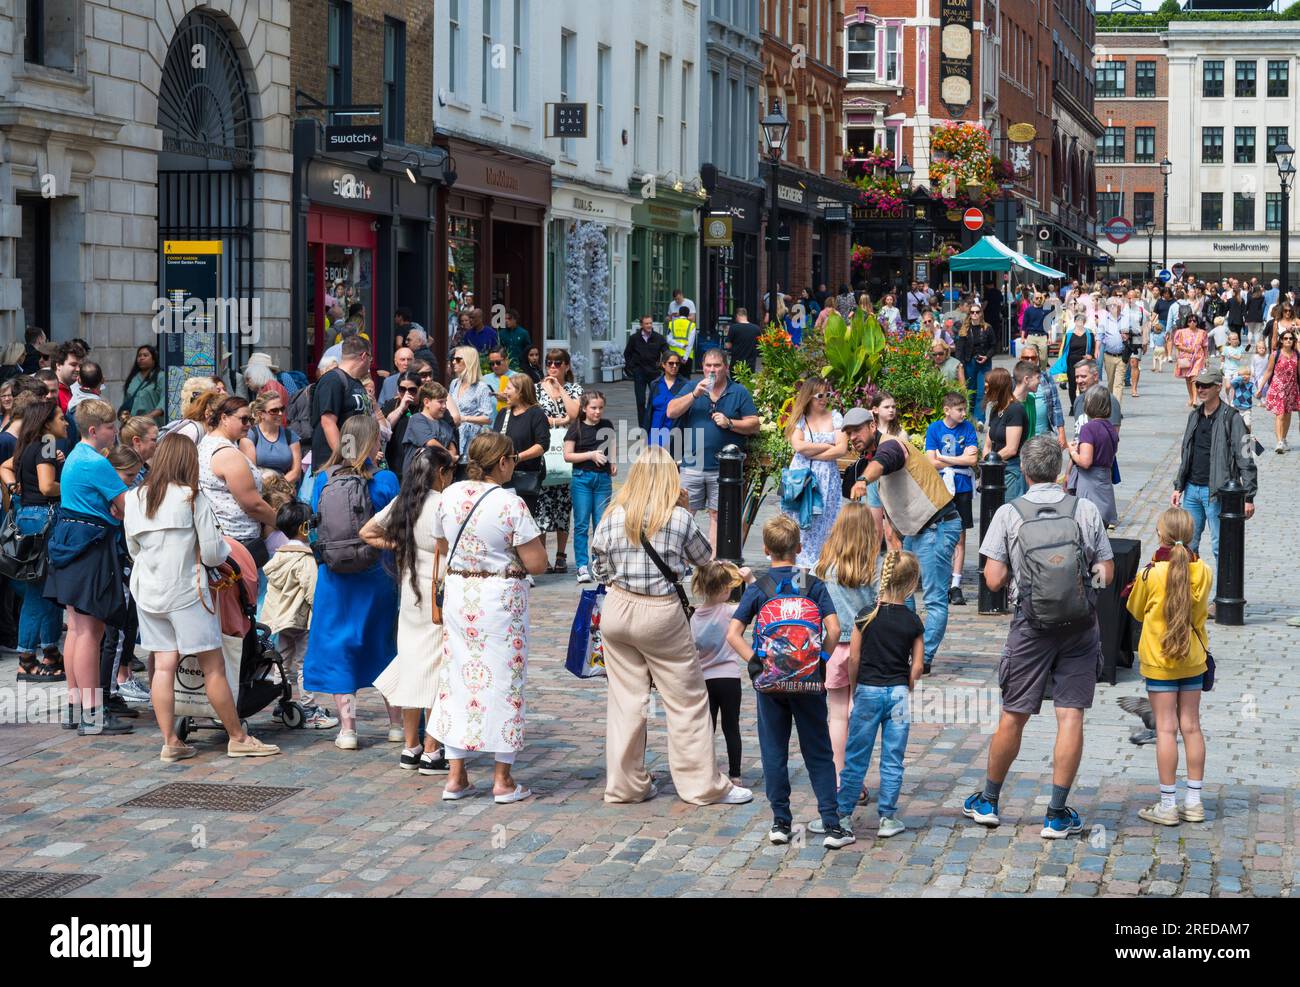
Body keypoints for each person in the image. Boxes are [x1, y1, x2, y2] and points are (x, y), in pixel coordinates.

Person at [966, 435, 1114, 838]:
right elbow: (1107, 573)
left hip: (1031, 625)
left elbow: (993, 580)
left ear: (1027, 472)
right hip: (1080, 627)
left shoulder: (1009, 514)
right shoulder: (1083, 508)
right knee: (1070, 716)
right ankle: (1056, 813)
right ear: (1060, 471)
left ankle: (989, 802)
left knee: (1014, 713)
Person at [590, 445, 751, 807]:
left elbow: (598, 566)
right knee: (687, 699)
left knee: (626, 701)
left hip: (618, 608)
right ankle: (700, 785)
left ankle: (625, 786)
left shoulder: (613, 515)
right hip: (660, 612)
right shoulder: (678, 519)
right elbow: (704, 560)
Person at [125, 433, 281, 760]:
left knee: (163, 664)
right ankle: (237, 736)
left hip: (149, 591)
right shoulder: (190, 497)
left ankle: (170, 740)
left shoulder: (135, 497)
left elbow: (133, 549)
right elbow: (213, 554)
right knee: (213, 667)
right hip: (187, 591)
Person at [431, 433, 548, 801]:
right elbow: (538, 564)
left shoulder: (448, 495)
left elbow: (441, 545)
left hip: (460, 595)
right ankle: (502, 779)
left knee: (457, 679)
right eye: (512, 458)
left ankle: (456, 775)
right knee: (504, 681)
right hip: (499, 598)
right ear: (502, 462)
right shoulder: (510, 504)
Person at [725, 516, 849, 848]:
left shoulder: (760, 586)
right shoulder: (812, 583)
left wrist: (759, 662)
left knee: (774, 750)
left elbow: (732, 634)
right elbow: (834, 630)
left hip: (771, 681)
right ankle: (832, 825)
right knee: (819, 751)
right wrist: (820, 661)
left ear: (766, 549)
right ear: (799, 548)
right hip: (808, 681)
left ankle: (781, 822)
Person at [305, 415, 401, 750]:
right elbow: (397, 524)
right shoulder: (386, 479)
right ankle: (396, 725)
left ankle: (347, 728)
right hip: (378, 573)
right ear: (372, 442)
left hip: (335, 576)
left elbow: (314, 524)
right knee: (386, 645)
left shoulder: (322, 479)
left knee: (338, 647)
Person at [362, 446, 458, 774]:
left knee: (411, 663)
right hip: (439, 594)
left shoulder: (405, 502)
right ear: (441, 473)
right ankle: (432, 749)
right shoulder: (444, 504)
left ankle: (410, 746)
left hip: (410, 592)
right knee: (435, 669)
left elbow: (367, 532)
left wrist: (402, 545)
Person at [843, 406, 960, 674]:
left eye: (857, 430)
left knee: (934, 600)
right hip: (915, 531)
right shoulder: (870, 455)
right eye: (849, 433)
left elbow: (883, 462)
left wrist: (863, 480)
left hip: (938, 526)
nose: (853, 437)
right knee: (901, 594)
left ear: (872, 425)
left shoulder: (892, 446)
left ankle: (923, 660)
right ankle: (905, 651)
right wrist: (892, 533)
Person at [42, 400, 130, 734]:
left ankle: (76, 706)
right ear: (94, 430)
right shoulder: (96, 462)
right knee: (91, 632)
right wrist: (116, 511)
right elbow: (126, 506)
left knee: (77, 630)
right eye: (111, 428)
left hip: (70, 541)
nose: (115, 433)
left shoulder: (76, 456)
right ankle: (93, 714)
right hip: (91, 546)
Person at [1125, 507, 1212, 827]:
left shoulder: (1151, 573)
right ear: (1190, 535)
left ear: (1160, 535)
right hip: (1191, 657)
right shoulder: (1202, 570)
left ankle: (1167, 804)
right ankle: (1194, 801)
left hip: (1159, 660)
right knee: (1192, 726)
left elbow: (1135, 610)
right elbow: (1201, 615)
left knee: (1164, 729)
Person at [836, 549, 924, 839]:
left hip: (868, 691)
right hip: (897, 693)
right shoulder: (913, 621)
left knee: (856, 755)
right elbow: (918, 666)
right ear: (911, 583)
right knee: (893, 757)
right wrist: (908, 684)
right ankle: (887, 816)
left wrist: (855, 684)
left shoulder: (865, 616)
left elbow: (854, 659)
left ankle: (844, 814)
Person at [811, 502, 879, 787]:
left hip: (833, 647)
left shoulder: (822, 567)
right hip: (866, 649)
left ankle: (840, 777)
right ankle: (856, 775)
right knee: (860, 714)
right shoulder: (873, 568)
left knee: (837, 714)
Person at [666, 349, 759, 549]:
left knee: (718, 516)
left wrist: (730, 423)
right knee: (684, 514)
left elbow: (754, 424)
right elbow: (671, 411)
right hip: (693, 464)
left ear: (726, 367)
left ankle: (715, 564)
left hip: (724, 469)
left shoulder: (738, 391)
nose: (712, 370)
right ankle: (681, 562)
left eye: (717, 365)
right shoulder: (692, 387)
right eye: (708, 365)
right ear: (703, 367)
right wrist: (694, 395)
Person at [2, 399, 67, 681]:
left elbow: (4, 467)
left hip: (30, 516)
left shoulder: (32, 444)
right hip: (45, 519)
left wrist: (15, 488)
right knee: (39, 592)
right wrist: (73, 488)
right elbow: (46, 485)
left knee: (46, 590)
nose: (65, 422)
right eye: (61, 417)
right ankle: (27, 657)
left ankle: (50, 653)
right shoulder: (46, 443)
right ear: (47, 423)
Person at [261, 502, 336, 730]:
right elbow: (313, 592)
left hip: (281, 620)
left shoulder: (278, 557)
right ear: (305, 527)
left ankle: (281, 704)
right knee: (305, 664)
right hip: (301, 620)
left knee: (281, 662)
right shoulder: (304, 559)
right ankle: (309, 708)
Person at [1171, 367, 1257, 564]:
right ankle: (1190, 593)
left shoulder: (1233, 418)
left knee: (1221, 547)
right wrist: (1179, 487)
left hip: (1218, 493)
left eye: (1206, 386)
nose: (1201, 389)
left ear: (1218, 387)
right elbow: (1186, 455)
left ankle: (1222, 592)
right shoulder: (1194, 416)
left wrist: (1249, 497)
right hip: (1192, 491)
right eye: (1198, 385)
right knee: (1187, 547)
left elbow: (1246, 460)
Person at [198, 397, 277, 567]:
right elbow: (252, 505)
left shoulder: (207, 442)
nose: (248, 424)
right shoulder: (227, 453)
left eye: (251, 419)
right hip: (238, 541)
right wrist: (282, 523)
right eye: (243, 419)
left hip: (224, 538)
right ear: (224, 418)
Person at [689, 561, 746, 785]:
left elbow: (692, 648)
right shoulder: (729, 611)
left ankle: (705, 769)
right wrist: (749, 580)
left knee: (707, 728)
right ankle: (735, 773)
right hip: (729, 678)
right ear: (724, 589)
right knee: (731, 727)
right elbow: (753, 606)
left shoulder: (694, 616)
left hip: (705, 679)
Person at [781, 377, 846, 568]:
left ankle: (821, 567)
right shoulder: (800, 418)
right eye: (819, 395)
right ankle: (799, 569)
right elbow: (798, 446)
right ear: (809, 396)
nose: (824, 399)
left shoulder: (835, 417)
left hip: (827, 478)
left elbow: (841, 449)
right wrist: (827, 445)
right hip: (802, 478)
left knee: (826, 520)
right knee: (800, 522)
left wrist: (812, 450)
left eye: (827, 394)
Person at [926, 391, 979, 607]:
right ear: (947, 410)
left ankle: (956, 584)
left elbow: (972, 459)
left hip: (963, 487)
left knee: (960, 536)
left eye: (965, 409)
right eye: (959, 410)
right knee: (936, 533)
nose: (964, 413)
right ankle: (940, 580)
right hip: (941, 487)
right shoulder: (935, 429)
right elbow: (930, 461)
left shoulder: (968, 428)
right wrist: (958, 460)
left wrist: (944, 458)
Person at [535, 349, 583, 572]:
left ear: (566, 366)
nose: (552, 367)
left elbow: (574, 414)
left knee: (564, 503)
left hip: (567, 448)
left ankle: (561, 554)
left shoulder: (574, 389)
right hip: (544, 448)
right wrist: (559, 420)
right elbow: (536, 417)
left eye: (557, 363)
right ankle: (543, 555)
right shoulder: (536, 389)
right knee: (542, 504)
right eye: (549, 363)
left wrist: (559, 388)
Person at [565, 390, 617, 584]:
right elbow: (567, 455)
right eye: (593, 408)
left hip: (603, 479)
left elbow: (611, 443)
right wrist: (590, 455)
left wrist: (612, 461)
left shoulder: (607, 425)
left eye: (600, 408)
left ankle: (598, 563)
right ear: (585, 408)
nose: (597, 412)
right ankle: (581, 565)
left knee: (601, 524)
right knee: (581, 523)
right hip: (582, 478)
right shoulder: (576, 427)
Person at [492, 372, 549, 518]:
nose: (505, 392)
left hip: (526, 477)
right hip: (502, 477)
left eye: (509, 388)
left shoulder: (536, 414)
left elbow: (542, 445)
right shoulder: (503, 413)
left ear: (521, 392)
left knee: (522, 520)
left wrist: (518, 457)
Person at [310, 336, 372, 470]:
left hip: (356, 460)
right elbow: (328, 422)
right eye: (370, 359)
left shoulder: (356, 382)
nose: (370, 364)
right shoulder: (333, 380)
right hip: (335, 465)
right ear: (363, 356)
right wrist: (346, 459)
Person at [1067, 385, 1121, 528]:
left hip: (1089, 484)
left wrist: (1072, 451)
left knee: (1085, 527)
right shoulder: (1110, 427)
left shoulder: (1088, 428)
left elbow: (1085, 461)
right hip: (1105, 482)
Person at [983, 367, 1030, 500]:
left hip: (1010, 470)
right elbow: (987, 444)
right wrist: (987, 466)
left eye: (988, 387)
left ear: (998, 387)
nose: (985, 391)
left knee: (1009, 512)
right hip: (995, 469)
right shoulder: (995, 409)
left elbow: (1011, 449)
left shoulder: (1015, 410)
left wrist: (989, 463)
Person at [239, 391, 302, 486]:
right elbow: (251, 472)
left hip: (284, 491)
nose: (280, 413)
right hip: (259, 489)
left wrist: (277, 488)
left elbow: (296, 472)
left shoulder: (290, 435)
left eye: (282, 409)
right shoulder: (250, 436)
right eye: (274, 410)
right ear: (261, 414)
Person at [448, 345, 495, 471]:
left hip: (471, 438)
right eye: (453, 359)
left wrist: (464, 418)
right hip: (454, 435)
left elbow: (488, 418)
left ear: (468, 361)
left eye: (458, 359)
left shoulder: (481, 387)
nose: (453, 362)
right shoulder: (454, 383)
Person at [401, 380, 457, 474]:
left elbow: (453, 449)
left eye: (445, 402)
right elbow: (430, 443)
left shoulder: (446, 426)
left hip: (439, 478)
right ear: (426, 402)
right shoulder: (416, 419)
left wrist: (452, 455)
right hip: (417, 479)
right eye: (440, 402)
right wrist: (449, 455)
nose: (444, 406)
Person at [1259, 326, 1300, 452]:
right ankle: (1279, 442)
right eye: (1285, 338)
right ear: (1281, 340)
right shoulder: (1275, 354)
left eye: (1290, 339)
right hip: (1278, 387)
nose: (1288, 340)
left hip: (1291, 388)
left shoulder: (1297, 355)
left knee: (1287, 415)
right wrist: (1260, 388)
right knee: (1280, 415)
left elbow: (1299, 373)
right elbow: (1268, 371)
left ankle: (1284, 438)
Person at [624, 314, 669, 431]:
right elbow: (627, 353)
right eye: (646, 323)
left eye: (650, 323)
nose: (649, 326)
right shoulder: (634, 338)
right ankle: (643, 428)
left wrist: (662, 366)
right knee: (640, 401)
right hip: (639, 373)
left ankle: (654, 425)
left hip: (654, 373)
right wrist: (632, 367)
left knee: (656, 400)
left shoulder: (658, 338)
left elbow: (666, 352)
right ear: (641, 325)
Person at [1018, 344, 1066, 446]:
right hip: (1022, 436)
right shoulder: (1014, 380)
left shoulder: (1046, 377)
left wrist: (1061, 433)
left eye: (1033, 358)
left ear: (1038, 360)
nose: (1030, 361)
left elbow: (1056, 405)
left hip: (1044, 435)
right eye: (1026, 358)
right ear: (1020, 359)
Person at [954, 301, 996, 411]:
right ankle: (970, 416)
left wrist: (987, 356)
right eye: (972, 312)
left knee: (982, 392)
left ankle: (980, 420)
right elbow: (959, 349)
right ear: (969, 314)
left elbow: (993, 346)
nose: (975, 314)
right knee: (970, 391)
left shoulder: (988, 328)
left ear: (981, 313)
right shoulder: (964, 330)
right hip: (970, 363)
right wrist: (961, 364)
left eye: (977, 312)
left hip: (985, 363)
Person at [646, 350, 689, 451]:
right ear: (663, 365)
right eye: (671, 363)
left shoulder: (685, 385)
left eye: (677, 364)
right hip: (655, 429)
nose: (674, 366)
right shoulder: (655, 384)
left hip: (675, 430)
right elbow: (649, 411)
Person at [1050, 311, 1094, 407]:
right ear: (1074, 321)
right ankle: (1073, 406)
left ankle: (1083, 405)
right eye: (1078, 320)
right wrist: (1063, 361)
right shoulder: (1069, 334)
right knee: (1072, 385)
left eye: (1082, 320)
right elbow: (1065, 349)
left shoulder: (1089, 333)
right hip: (1071, 362)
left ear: (1084, 322)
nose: (1080, 322)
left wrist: (1091, 355)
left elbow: (1093, 348)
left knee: (1084, 383)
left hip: (1084, 362)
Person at [1173, 314, 1210, 407]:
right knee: (1188, 379)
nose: (1192, 322)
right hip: (1186, 357)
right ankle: (1191, 398)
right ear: (1187, 322)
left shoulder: (1202, 333)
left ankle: (1195, 400)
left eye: (1194, 320)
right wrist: (1187, 350)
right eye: (1190, 321)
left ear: (1197, 322)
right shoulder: (1181, 332)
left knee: (1195, 378)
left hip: (1198, 357)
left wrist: (1206, 358)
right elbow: (1177, 344)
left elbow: (1205, 346)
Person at [121, 345, 164, 422]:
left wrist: (150, 416)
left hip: (153, 424)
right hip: (134, 425)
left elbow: (164, 400)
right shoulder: (133, 378)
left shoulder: (161, 376)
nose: (141, 358)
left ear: (154, 359)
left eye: (145, 355)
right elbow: (126, 402)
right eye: (139, 356)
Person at [724, 308, 761, 374]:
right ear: (746, 315)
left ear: (737, 315)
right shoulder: (756, 328)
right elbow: (759, 346)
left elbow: (728, 346)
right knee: (748, 383)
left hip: (736, 364)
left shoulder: (733, 328)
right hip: (750, 365)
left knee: (735, 383)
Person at [665, 305, 696, 373]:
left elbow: (668, 340)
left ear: (679, 313)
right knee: (685, 380)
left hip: (673, 355)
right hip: (687, 357)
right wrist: (685, 358)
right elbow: (690, 343)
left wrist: (680, 345)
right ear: (688, 314)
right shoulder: (692, 325)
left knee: (673, 378)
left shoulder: (672, 324)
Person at [52, 342, 81, 413]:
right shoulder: (51, 393)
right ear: (58, 365)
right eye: (73, 365)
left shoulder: (67, 389)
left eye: (80, 366)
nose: (78, 369)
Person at [484, 346, 513, 412]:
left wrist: (507, 399)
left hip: (512, 420)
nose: (495, 366)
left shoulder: (518, 378)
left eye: (498, 362)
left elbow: (527, 402)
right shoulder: (484, 379)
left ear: (506, 360)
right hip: (490, 420)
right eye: (492, 363)